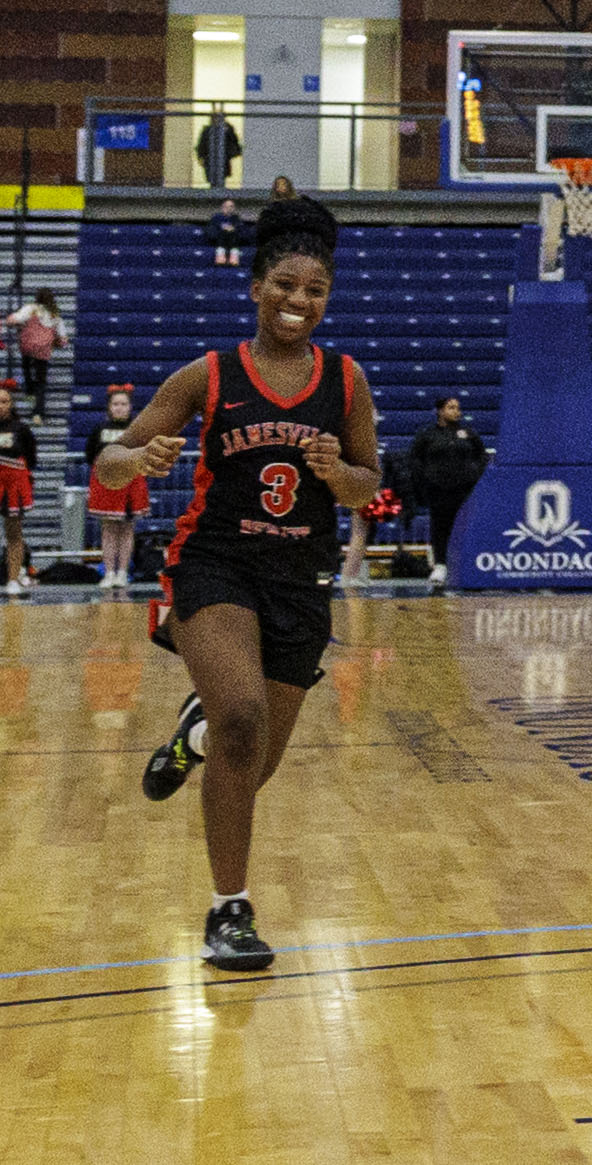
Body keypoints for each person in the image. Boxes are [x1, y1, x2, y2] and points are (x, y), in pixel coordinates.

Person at [104, 196, 379, 970]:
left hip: (300, 581)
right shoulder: (211, 373)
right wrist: (141, 460)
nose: (299, 301)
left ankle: (195, 731)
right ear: (256, 286)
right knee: (244, 718)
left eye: (315, 289)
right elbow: (110, 460)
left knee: (253, 756)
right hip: (215, 563)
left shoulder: (347, 380)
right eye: (286, 284)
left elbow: (368, 483)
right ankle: (230, 910)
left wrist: (340, 473)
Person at [408, 396, 489, 587]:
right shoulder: (427, 434)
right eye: (451, 407)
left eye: (457, 408)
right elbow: (415, 459)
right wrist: (427, 478)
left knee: (466, 529)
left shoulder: (467, 433)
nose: (456, 411)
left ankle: (468, 567)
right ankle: (440, 566)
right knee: (441, 528)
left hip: (465, 491)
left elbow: (481, 456)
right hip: (438, 490)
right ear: (440, 410)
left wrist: (473, 475)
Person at [85, 385, 147, 590]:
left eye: (124, 404)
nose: (120, 408)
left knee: (127, 528)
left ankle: (122, 572)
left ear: (130, 407)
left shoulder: (137, 429)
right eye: (116, 404)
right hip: (106, 483)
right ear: (109, 407)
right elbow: (89, 454)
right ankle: (109, 572)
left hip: (131, 481)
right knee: (108, 528)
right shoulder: (100, 429)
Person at [5, 286, 68, 421]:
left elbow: (15, 319)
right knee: (41, 381)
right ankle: (38, 412)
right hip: (43, 350)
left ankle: (28, 389)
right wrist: (55, 342)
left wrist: (12, 322)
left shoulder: (31, 309)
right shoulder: (54, 316)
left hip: (27, 345)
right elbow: (63, 340)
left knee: (26, 365)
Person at [0, 382, 34, 594]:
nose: (0, 406)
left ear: (11, 404)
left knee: (14, 533)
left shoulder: (21, 429)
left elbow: (31, 459)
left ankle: (13, 578)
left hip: (12, 486)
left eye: (4, 401)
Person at [196, 104, 242, 189]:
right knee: (212, 178)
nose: (217, 120)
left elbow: (234, 142)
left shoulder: (227, 129)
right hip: (210, 158)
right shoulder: (207, 130)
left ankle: (218, 190)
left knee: (221, 177)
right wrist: (200, 156)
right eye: (215, 118)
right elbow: (202, 145)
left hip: (223, 158)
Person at [206, 197, 245, 267]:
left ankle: (234, 254)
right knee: (224, 232)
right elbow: (211, 232)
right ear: (222, 207)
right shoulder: (216, 218)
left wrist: (233, 229)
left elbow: (242, 232)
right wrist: (223, 230)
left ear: (234, 208)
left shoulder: (236, 219)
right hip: (218, 240)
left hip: (234, 241)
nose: (229, 208)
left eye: (231, 206)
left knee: (233, 233)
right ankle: (220, 254)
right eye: (226, 206)